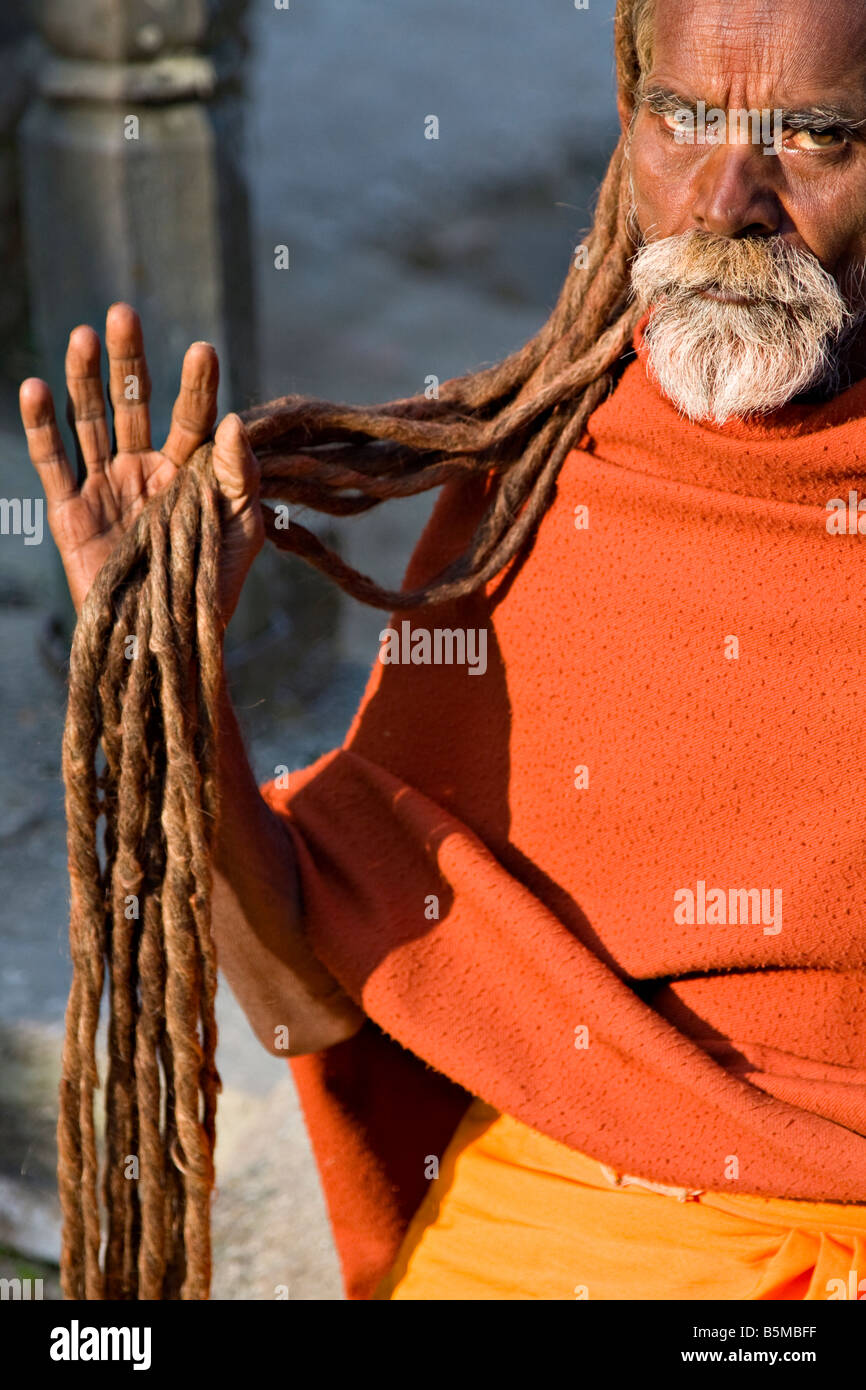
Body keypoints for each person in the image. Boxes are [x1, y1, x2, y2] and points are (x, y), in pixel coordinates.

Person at [18, 0, 866, 1301]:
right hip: (550, 1241)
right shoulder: (544, 487)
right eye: (682, 121)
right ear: (624, 123)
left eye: (810, 136)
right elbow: (314, 1000)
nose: (724, 200)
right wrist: (168, 675)